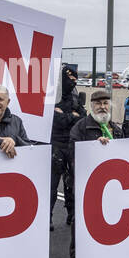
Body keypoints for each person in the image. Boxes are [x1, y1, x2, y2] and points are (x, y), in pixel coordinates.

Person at [67, 89, 123, 258]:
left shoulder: (116, 129)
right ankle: (77, 254)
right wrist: (94, 146)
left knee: (109, 217)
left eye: (105, 103)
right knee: (82, 219)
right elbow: (72, 152)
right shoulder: (81, 127)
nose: (102, 107)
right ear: (92, 106)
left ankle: (105, 249)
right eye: (98, 104)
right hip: (86, 182)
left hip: (110, 183)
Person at [49, 64, 83, 229]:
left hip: (71, 144)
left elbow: (83, 118)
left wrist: (67, 116)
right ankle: (47, 218)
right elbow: (55, 120)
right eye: (71, 79)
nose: (73, 82)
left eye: (75, 79)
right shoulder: (53, 97)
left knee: (72, 183)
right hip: (55, 145)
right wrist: (72, 116)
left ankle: (72, 215)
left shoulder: (75, 98)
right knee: (52, 185)